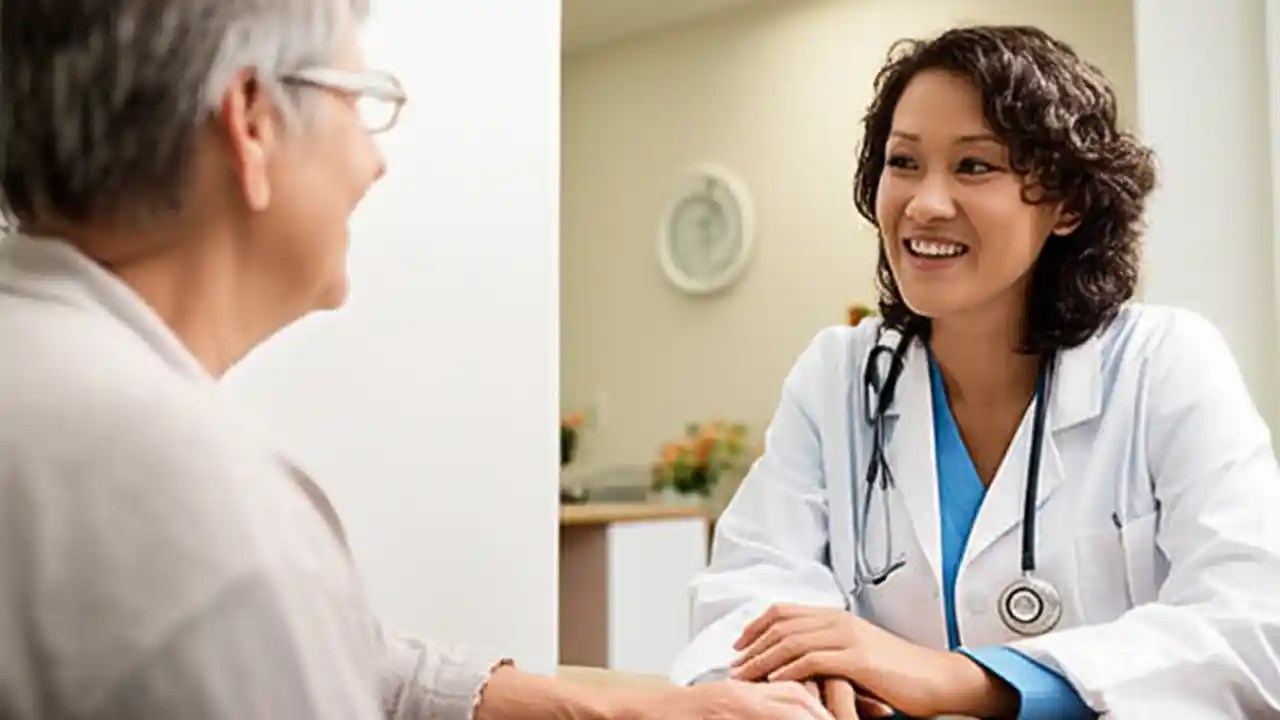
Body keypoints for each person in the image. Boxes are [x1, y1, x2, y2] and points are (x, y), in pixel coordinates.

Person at [0, 2, 838, 719]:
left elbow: (359, 661)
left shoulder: (44, 376)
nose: (376, 162)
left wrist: (629, 707)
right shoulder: (199, 505)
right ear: (251, 122)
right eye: (359, 98)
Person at [671, 24, 1280, 719]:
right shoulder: (839, 377)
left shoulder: (1162, 363)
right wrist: (805, 683)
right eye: (903, 162)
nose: (925, 203)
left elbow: (1255, 628)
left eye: (974, 166)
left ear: (1068, 203)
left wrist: (961, 679)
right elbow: (748, 596)